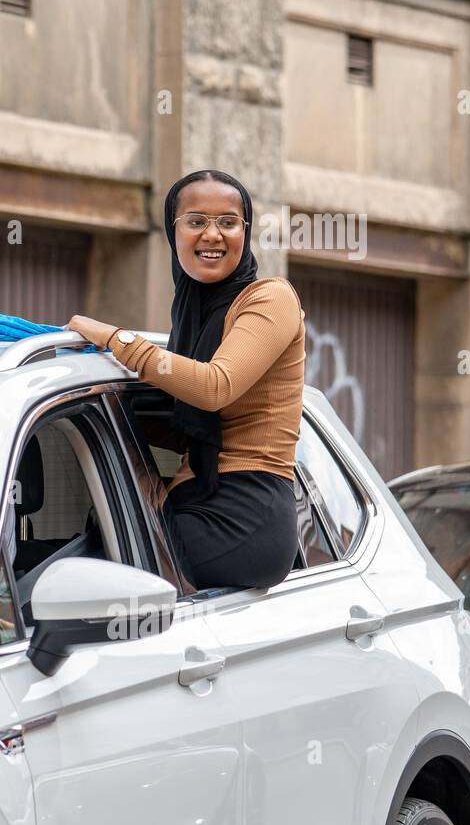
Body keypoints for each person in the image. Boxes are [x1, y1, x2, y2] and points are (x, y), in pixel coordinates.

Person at [65, 169, 305, 592]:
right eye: (196, 221)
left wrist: (116, 338)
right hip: (196, 500)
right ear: (172, 232)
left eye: (228, 222)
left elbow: (215, 388)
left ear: (244, 232)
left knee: (84, 573)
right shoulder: (191, 317)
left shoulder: (271, 298)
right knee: (79, 550)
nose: (212, 235)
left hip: (246, 518)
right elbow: (182, 427)